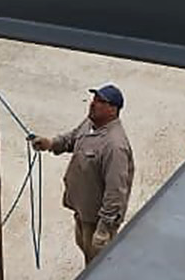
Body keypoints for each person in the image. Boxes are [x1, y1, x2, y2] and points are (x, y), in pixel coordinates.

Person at [31, 83, 134, 264]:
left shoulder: (115, 146)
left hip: (97, 221)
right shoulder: (90, 124)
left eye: (100, 101)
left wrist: (104, 229)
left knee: (99, 265)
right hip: (83, 212)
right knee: (87, 252)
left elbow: (116, 191)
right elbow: (72, 138)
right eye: (94, 99)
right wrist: (50, 143)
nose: (93, 103)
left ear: (112, 110)